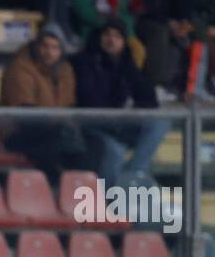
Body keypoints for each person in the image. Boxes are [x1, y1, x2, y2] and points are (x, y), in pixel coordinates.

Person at [72, 20, 169, 186]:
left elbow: (148, 98)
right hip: (92, 126)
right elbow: (89, 99)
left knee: (160, 122)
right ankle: (110, 200)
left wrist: (134, 108)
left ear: (123, 41)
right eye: (107, 35)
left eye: (117, 36)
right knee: (115, 151)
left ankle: (133, 173)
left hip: (119, 124)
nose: (111, 40)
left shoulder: (126, 62)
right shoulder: (85, 61)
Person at [0, 24, 88, 181]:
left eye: (55, 47)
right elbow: (25, 112)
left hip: (55, 131)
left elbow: (69, 106)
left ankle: (78, 190)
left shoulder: (66, 70)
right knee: (58, 141)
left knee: (87, 143)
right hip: (19, 132)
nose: (49, 52)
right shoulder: (20, 68)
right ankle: (56, 187)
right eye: (45, 46)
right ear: (36, 46)